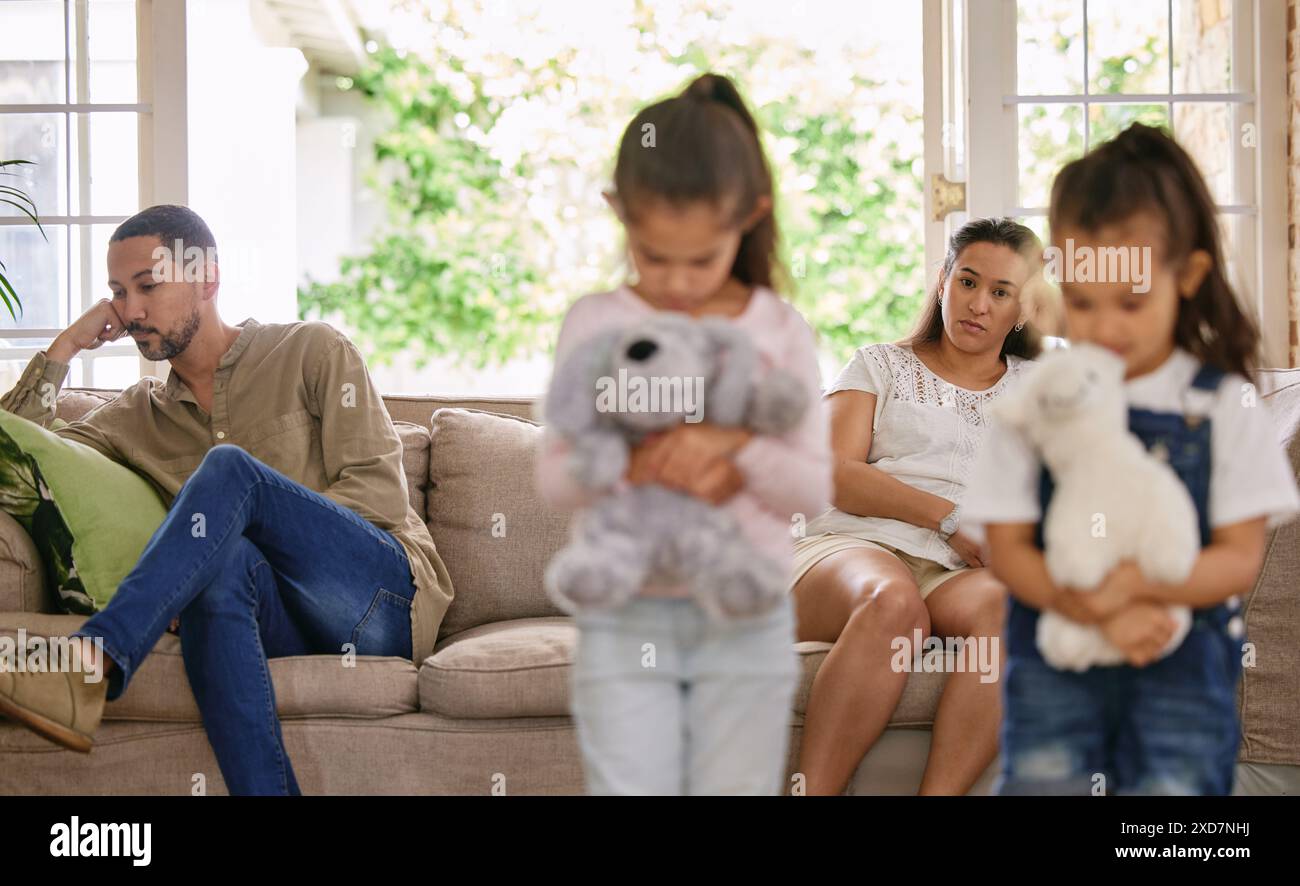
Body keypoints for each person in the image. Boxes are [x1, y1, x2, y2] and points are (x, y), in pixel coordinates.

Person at [0, 204, 454, 795]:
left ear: (207, 278)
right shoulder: (134, 418)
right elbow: (14, 449)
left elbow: (377, 495)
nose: (131, 310)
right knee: (223, 569)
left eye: (148, 285)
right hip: (277, 618)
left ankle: (96, 658)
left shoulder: (312, 351)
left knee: (231, 473)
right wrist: (64, 349)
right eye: (117, 292)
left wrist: (257, 514)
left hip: (379, 601)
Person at [964, 123, 1300, 795]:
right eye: (1084, 302)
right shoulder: (1039, 404)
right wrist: (1086, 605)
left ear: (1190, 275)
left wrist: (1140, 593)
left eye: (1133, 302)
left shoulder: (1223, 406)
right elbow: (1004, 547)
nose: (1106, 327)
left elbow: (1238, 559)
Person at [535, 73, 832, 795]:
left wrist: (733, 448)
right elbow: (551, 478)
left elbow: (814, 492)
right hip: (622, 619)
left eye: (701, 259)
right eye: (653, 255)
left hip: (744, 620)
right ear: (619, 213)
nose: (676, 285)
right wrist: (632, 462)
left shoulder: (777, 330)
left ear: (749, 217)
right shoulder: (595, 324)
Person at [790, 217, 1045, 794]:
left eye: (1001, 293)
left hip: (956, 572)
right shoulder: (879, 364)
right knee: (893, 605)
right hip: (855, 545)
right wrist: (949, 518)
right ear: (943, 282)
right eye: (968, 282)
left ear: (1021, 309)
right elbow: (836, 474)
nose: (979, 304)